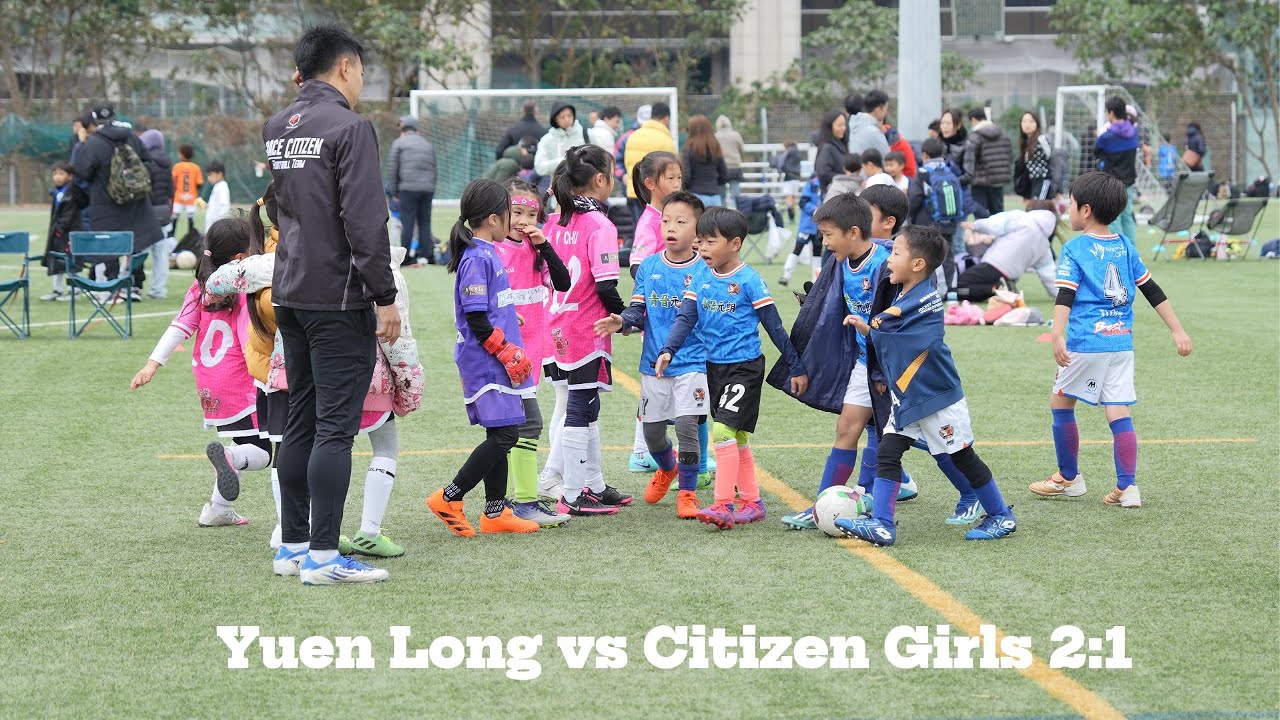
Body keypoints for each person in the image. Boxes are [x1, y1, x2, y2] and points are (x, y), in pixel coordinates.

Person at [205, 184, 423, 556]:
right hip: (360, 377)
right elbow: (396, 337)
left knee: (293, 445)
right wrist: (410, 383)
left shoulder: (286, 258)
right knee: (365, 445)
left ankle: (294, 532)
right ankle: (357, 532)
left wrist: (235, 278)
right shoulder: (381, 269)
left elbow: (217, 280)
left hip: (292, 373)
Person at [264, 24, 401, 585]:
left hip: (290, 290)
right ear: (345, 67)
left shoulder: (278, 127)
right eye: (363, 69)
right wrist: (385, 294)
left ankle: (292, 547)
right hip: (338, 295)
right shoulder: (350, 127)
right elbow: (365, 220)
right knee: (335, 429)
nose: (363, 80)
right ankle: (322, 557)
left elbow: (277, 209)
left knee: (300, 421)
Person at [838, 225, 1019, 545]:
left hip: (937, 397)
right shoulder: (906, 296)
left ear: (918, 264)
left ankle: (1001, 515)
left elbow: (898, 326)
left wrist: (873, 323)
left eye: (895, 253)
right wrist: (868, 329)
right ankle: (882, 524)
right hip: (907, 398)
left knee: (964, 457)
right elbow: (890, 334)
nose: (888, 261)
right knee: (888, 452)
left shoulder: (925, 299)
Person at [1029, 171, 1192, 508]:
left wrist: (1056, 334)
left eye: (1070, 205)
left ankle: (1068, 478)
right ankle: (1127, 488)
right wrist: (1176, 329)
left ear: (1085, 210)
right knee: (1118, 410)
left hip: (1086, 344)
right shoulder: (1124, 245)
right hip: (1120, 344)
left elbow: (1065, 297)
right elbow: (1152, 290)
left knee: (1061, 403)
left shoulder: (1074, 249)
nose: (1068, 211)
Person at [655, 207, 809, 530]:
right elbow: (686, 318)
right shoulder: (701, 277)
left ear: (735, 243)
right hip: (715, 368)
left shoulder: (749, 280)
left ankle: (723, 503)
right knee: (736, 436)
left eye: (710, 242)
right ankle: (752, 501)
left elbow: (774, 327)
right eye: (701, 241)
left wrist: (796, 365)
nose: (702, 248)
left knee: (722, 431)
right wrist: (668, 350)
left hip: (745, 368)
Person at [131, 218, 271, 528]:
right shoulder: (245, 287)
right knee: (266, 451)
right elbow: (250, 341)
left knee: (243, 440)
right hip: (242, 382)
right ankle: (231, 461)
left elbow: (179, 327)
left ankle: (217, 510)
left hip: (209, 382)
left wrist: (152, 364)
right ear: (239, 258)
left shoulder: (201, 286)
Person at [423, 178, 544, 537]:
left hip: (495, 357)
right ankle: (449, 496)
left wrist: (509, 317)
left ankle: (495, 513)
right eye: (510, 212)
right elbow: (475, 318)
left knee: (502, 430)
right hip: (487, 361)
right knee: (506, 435)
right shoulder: (476, 256)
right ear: (494, 219)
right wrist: (505, 348)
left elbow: (488, 307)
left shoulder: (489, 251)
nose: (514, 220)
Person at [594, 191, 710, 519]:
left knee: (687, 425)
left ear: (698, 229)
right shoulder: (648, 267)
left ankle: (687, 494)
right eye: (666, 220)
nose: (670, 227)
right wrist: (621, 321)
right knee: (652, 433)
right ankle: (668, 468)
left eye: (681, 221)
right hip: (653, 364)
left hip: (693, 362)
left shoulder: (705, 268)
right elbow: (637, 310)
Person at [780, 193, 887, 530]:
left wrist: (882, 361)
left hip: (893, 366)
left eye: (828, 235)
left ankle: (975, 496)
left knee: (930, 440)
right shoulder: (841, 263)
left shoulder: (884, 264)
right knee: (847, 428)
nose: (825, 243)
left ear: (853, 232)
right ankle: (821, 507)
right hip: (861, 361)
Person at [543, 144, 633, 516]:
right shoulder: (600, 225)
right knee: (581, 407)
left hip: (555, 326)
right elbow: (605, 286)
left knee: (579, 405)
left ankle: (592, 484)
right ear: (600, 179)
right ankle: (573, 494)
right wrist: (626, 318)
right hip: (585, 329)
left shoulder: (555, 221)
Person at [492, 178, 573, 528]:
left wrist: (546, 247)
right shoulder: (492, 250)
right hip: (503, 349)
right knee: (526, 422)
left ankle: (510, 501)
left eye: (531, 213)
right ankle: (523, 501)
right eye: (516, 212)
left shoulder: (536, 248)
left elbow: (564, 282)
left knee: (515, 423)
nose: (524, 220)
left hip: (533, 347)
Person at [73, 103, 162, 294]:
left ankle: (110, 287)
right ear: (115, 116)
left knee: (107, 245)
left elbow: (82, 172)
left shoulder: (94, 143)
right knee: (134, 242)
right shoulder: (131, 136)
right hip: (136, 202)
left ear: (95, 120)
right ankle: (133, 285)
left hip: (105, 205)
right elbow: (148, 163)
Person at [955, 200, 1059, 302]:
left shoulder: (1020, 217)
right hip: (1010, 276)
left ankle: (999, 290)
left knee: (958, 287)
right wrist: (1062, 296)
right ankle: (1001, 289)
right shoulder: (1045, 247)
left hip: (994, 264)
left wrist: (974, 225)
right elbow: (1049, 276)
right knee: (973, 285)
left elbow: (993, 224)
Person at [386, 115, 438, 265]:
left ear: (403, 129)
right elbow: (434, 168)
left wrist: (395, 192)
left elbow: (393, 169)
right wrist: (432, 188)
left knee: (407, 222)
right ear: (416, 129)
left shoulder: (399, 144)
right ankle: (427, 255)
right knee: (425, 222)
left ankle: (406, 256)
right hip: (427, 189)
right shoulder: (427, 144)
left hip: (407, 188)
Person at [627, 150, 683, 274]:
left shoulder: (681, 215)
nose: (677, 184)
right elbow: (637, 266)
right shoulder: (649, 223)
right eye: (670, 178)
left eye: (679, 177)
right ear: (650, 183)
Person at [38, 161, 87, 301]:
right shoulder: (57, 191)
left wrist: (60, 229)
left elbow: (69, 215)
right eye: (55, 174)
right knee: (56, 259)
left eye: (61, 173)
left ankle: (75, 290)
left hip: (69, 233)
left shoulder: (72, 192)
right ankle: (57, 290)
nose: (57, 177)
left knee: (71, 261)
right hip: (57, 232)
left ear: (70, 176)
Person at [1094, 96, 1139, 243]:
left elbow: (1097, 150)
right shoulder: (1133, 133)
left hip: (1112, 183)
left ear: (1111, 113)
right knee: (1127, 216)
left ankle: (1119, 250)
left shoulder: (1107, 137)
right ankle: (1131, 252)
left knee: (1113, 218)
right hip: (1129, 181)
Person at [624, 101, 677, 223]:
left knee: (638, 234)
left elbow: (628, 164)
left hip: (633, 191)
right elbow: (671, 171)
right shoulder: (666, 140)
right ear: (666, 118)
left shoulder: (633, 136)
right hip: (654, 196)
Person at [139, 129, 174, 299]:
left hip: (146, 212)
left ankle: (133, 286)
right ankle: (158, 290)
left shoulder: (145, 162)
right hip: (163, 213)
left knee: (140, 251)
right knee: (161, 254)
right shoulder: (167, 163)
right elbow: (170, 190)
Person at [962, 108, 1012, 216]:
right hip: (998, 181)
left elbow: (969, 160)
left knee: (981, 216)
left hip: (980, 182)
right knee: (998, 215)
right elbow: (1009, 155)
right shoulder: (1003, 134)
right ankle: (997, 233)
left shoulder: (975, 136)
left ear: (974, 120)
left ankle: (983, 234)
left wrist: (965, 178)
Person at [779, 174, 822, 287]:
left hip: (820, 226)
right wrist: (816, 210)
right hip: (808, 224)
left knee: (817, 251)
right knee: (797, 248)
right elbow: (803, 202)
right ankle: (786, 275)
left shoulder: (827, 183)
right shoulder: (812, 183)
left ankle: (815, 280)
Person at [533, 101, 587, 182]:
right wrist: (564, 161)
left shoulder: (585, 133)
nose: (567, 119)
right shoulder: (547, 140)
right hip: (559, 188)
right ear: (555, 119)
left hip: (584, 186)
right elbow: (540, 167)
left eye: (569, 115)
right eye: (562, 117)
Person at [682, 114, 728, 208]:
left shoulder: (688, 149)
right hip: (715, 198)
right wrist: (713, 184)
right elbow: (724, 175)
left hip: (695, 198)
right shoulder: (715, 148)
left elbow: (686, 177)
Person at [1016, 111, 1053, 202]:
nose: (1027, 124)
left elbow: (1052, 158)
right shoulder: (1025, 142)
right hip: (1032, 182)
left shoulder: (1041, 139)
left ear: (1037, 123)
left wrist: (1056, 187)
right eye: (1024, 121)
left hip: (1043, 180)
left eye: (1031, 121)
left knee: (1038, 209)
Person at [814, 110, 849, 197]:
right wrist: (846, 177)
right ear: (830, 127)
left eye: (844, 125)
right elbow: (823, 172)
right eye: (839, 125)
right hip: (832, 195)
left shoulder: (841, 145)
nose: (843, 128)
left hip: (841, 193)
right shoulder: (827, 147)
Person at [172, 144, 203, 240]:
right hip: (191, 197)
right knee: (190, 219)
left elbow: (173, 182)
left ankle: (171, 239)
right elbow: (199, 183)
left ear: (182, 155)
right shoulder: (196, 167)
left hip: (178, 197)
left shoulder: (177, 166)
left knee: (175, 218)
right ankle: (190, 240)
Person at [848, 89, 891, 157]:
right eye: (886, 108)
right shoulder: (873, 132)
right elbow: (887, 157)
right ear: (878, 109)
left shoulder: (855, 124)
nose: (886, 112)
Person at [715, 115, 745, 204]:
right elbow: (742, 149)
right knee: (736, 196)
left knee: (721, 196)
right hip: (735, 167)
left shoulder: (715, 136)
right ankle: (737, 214)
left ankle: (722, 216)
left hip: (721, 168)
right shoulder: (736, 135)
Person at [774, 140, 803, 224]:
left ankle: (791, 218)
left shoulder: (788, 151)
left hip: (789, 178)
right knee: (793, 198)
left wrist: (780, 169)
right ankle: (793, 217)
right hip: (796, 178)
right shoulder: (797, 152)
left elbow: (781, 163)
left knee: (789, 199)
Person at [201, 160, 230, 232]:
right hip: (211, 227)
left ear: (219, 174)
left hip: (217, 228)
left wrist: (220, 225)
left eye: (210, 175)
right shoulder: (217, 186)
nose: (208, 178)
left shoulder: (222, 187)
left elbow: (224, 206)